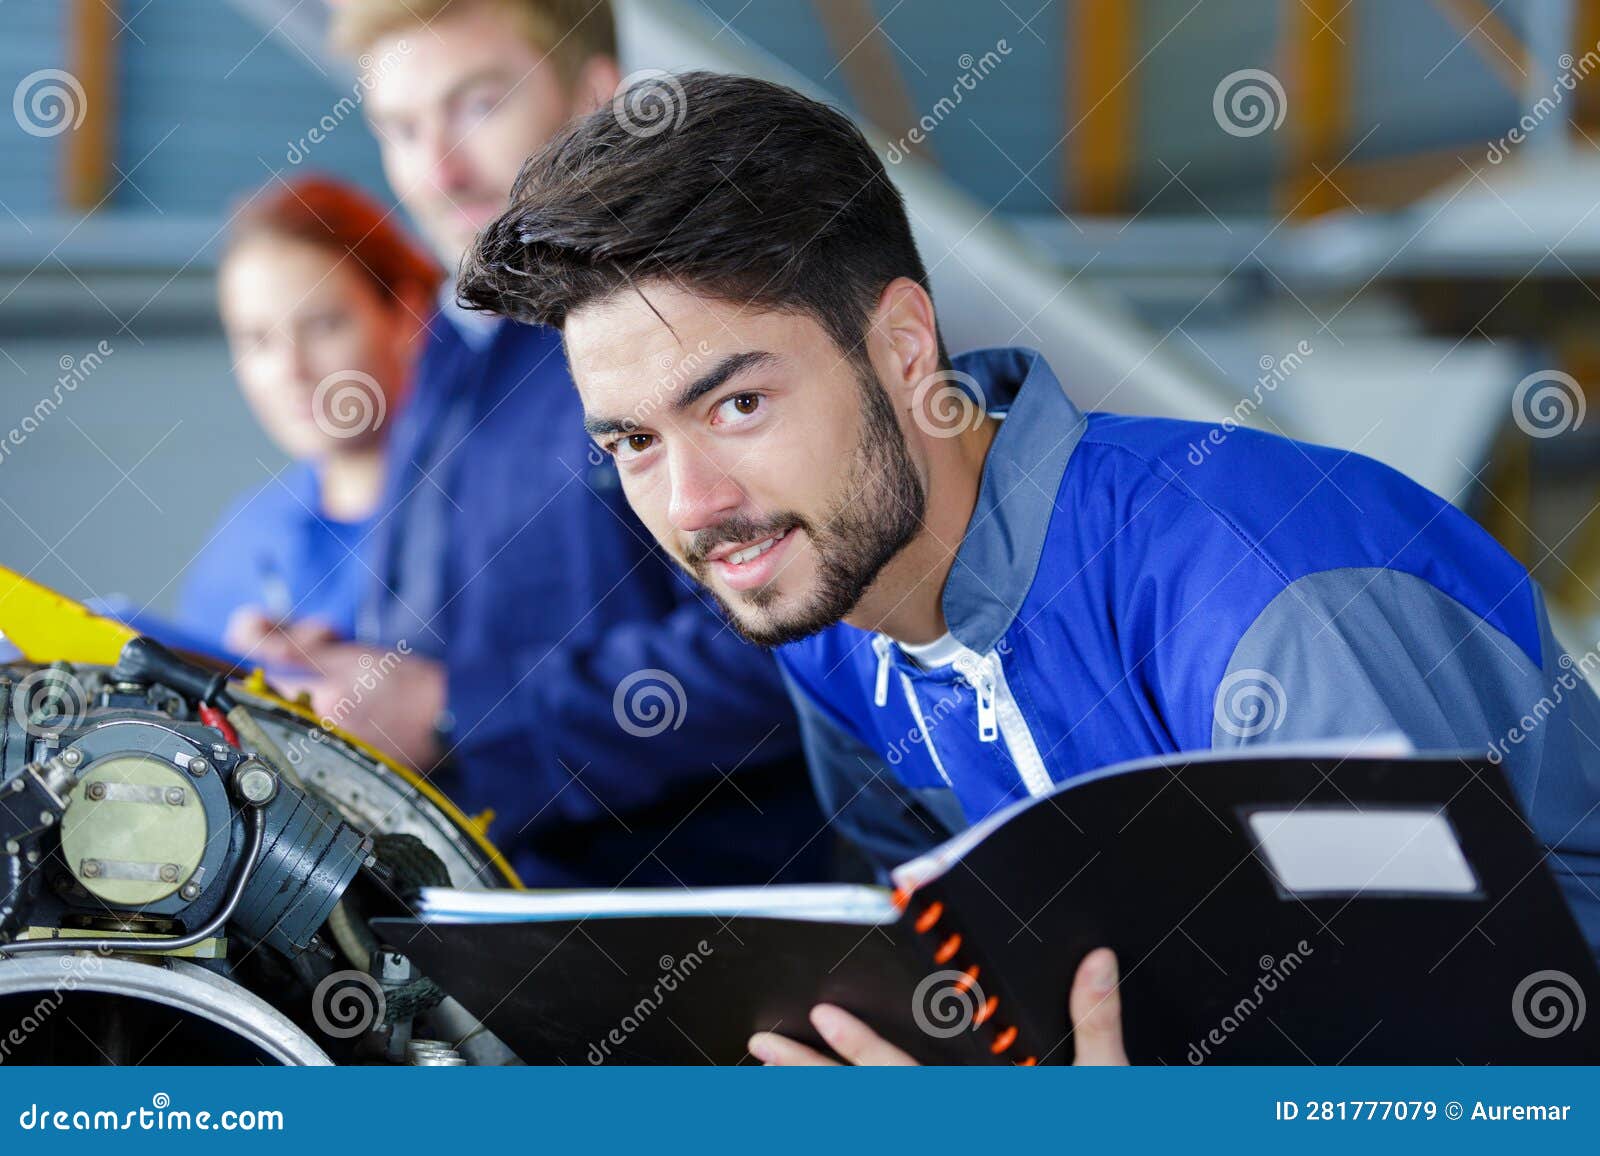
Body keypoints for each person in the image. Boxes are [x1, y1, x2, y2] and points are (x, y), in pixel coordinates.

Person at [456, 70, 1600, 1062]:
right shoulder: (832, 622)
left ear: (905, 348)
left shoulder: (1260, 609)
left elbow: (1458, 1092)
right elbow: (971, 1004)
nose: (694, 506)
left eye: (740, 403)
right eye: (634, 443)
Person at [243, 0, 827, 888]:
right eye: (401, 128)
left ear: (597, 98)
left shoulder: (694, 326)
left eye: (478, 105)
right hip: (480, 923)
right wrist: (348, 669)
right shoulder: (451, 351)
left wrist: (453, 711)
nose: (436, 170)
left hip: (684, 944)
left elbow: (794, 651)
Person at [179, 175, 436, 659]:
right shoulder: (247, 536)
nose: (290, 370)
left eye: (322, 326)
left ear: (407, 316)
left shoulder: (483, 514)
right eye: (257, 339)